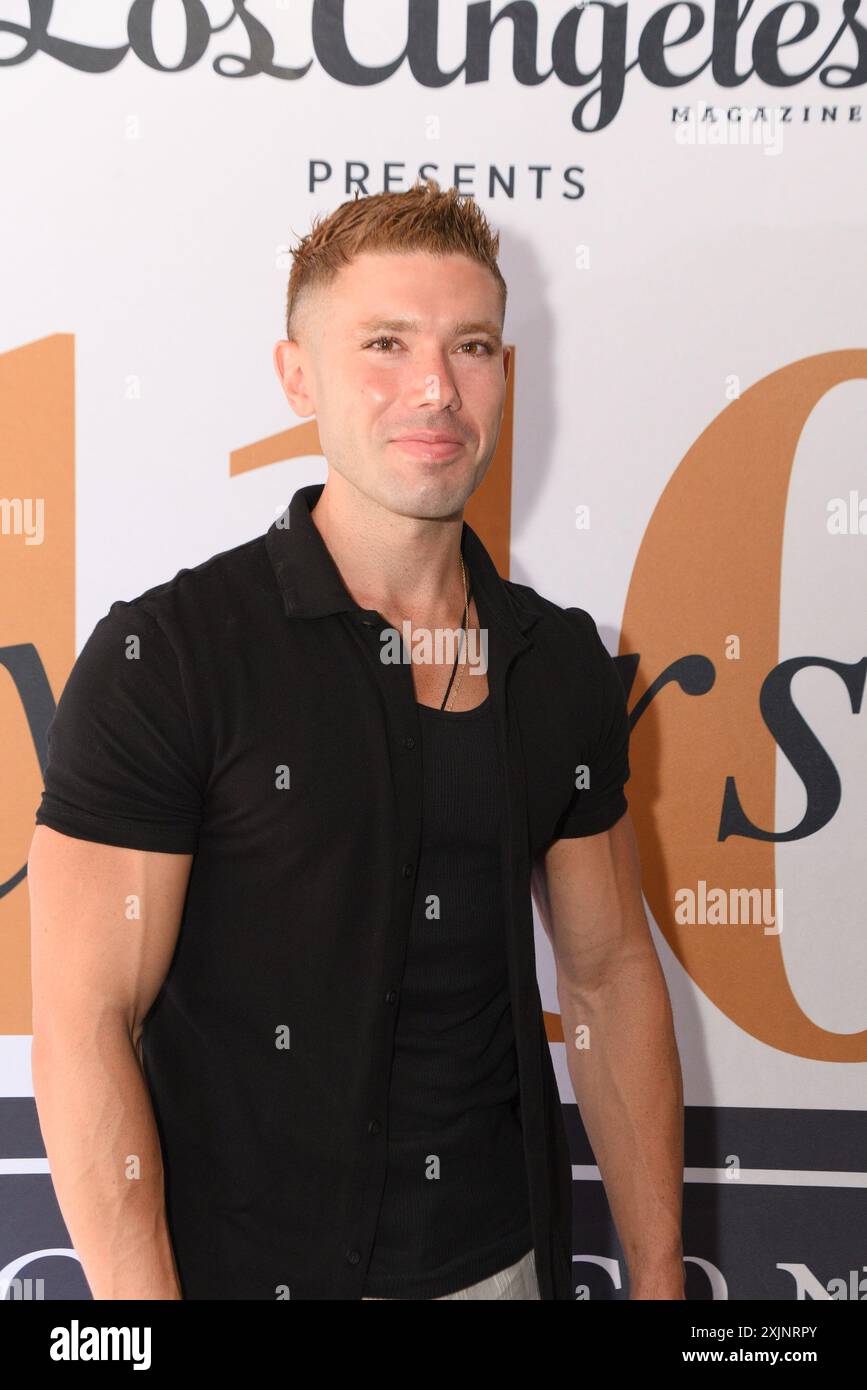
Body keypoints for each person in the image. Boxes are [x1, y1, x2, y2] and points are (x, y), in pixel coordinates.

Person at [28, 177, 685, 1301]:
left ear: (504, 374)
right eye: (385, 342)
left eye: (470, 346)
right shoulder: (172, 656)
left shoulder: (557, 660)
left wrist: (663, 1284)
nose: (434, 387)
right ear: (298, 375)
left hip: (503, 1267)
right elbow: (84, 1023)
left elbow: (610, 976)